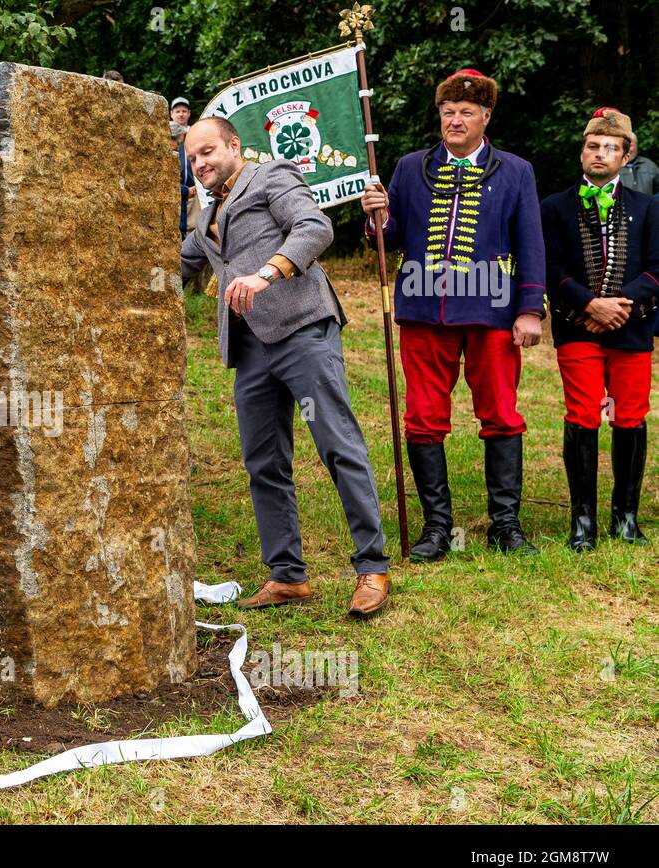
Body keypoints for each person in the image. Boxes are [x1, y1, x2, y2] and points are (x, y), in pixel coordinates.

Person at [180, 116, 391, 618]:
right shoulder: (201, 215)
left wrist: (266, 273)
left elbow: (314, 227)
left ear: (234, 145)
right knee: (263, 462)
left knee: (337, 444)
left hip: (302, 329)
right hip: (249, 348)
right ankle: (287, 576)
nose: (200, 164)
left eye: (208, 151)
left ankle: (372, 567)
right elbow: (176, 263)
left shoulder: (271, 174)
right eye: (191, 159)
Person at [362, 68, 547, 560]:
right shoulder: (408, 167)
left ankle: (505, 524)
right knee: (423, 417)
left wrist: (530, 308)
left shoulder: (516, 170)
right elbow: (392, 235)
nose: (456, 120)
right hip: (424, 311)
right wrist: (378, 217)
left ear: (486, 117)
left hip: (491, 311)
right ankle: (436, 528)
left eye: (466, 112)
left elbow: (530, 242)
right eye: (448, 112)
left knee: (502, 413)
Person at [543, 107, 659, 550]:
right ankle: (583, 521)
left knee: (630, 417)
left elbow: (656, 269)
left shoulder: (649, 208)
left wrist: (618, 306)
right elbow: (549, 267)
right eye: (593, 146)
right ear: (582, 152)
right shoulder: (554, 207)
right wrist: (590, 303)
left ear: (626, 155)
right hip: (578, 327)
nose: (600, 153)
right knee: (582, 415)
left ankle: (626, 516)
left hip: (632, 329)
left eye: (611, 147)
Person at [171, 97, 194, 238]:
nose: (181, 114)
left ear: (189, 113)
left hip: (193, 190)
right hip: (176, 189)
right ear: (171, 113)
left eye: (184, 111)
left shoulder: (195, 132)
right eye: (177, 111)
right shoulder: (163, 131)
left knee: (193, 227)